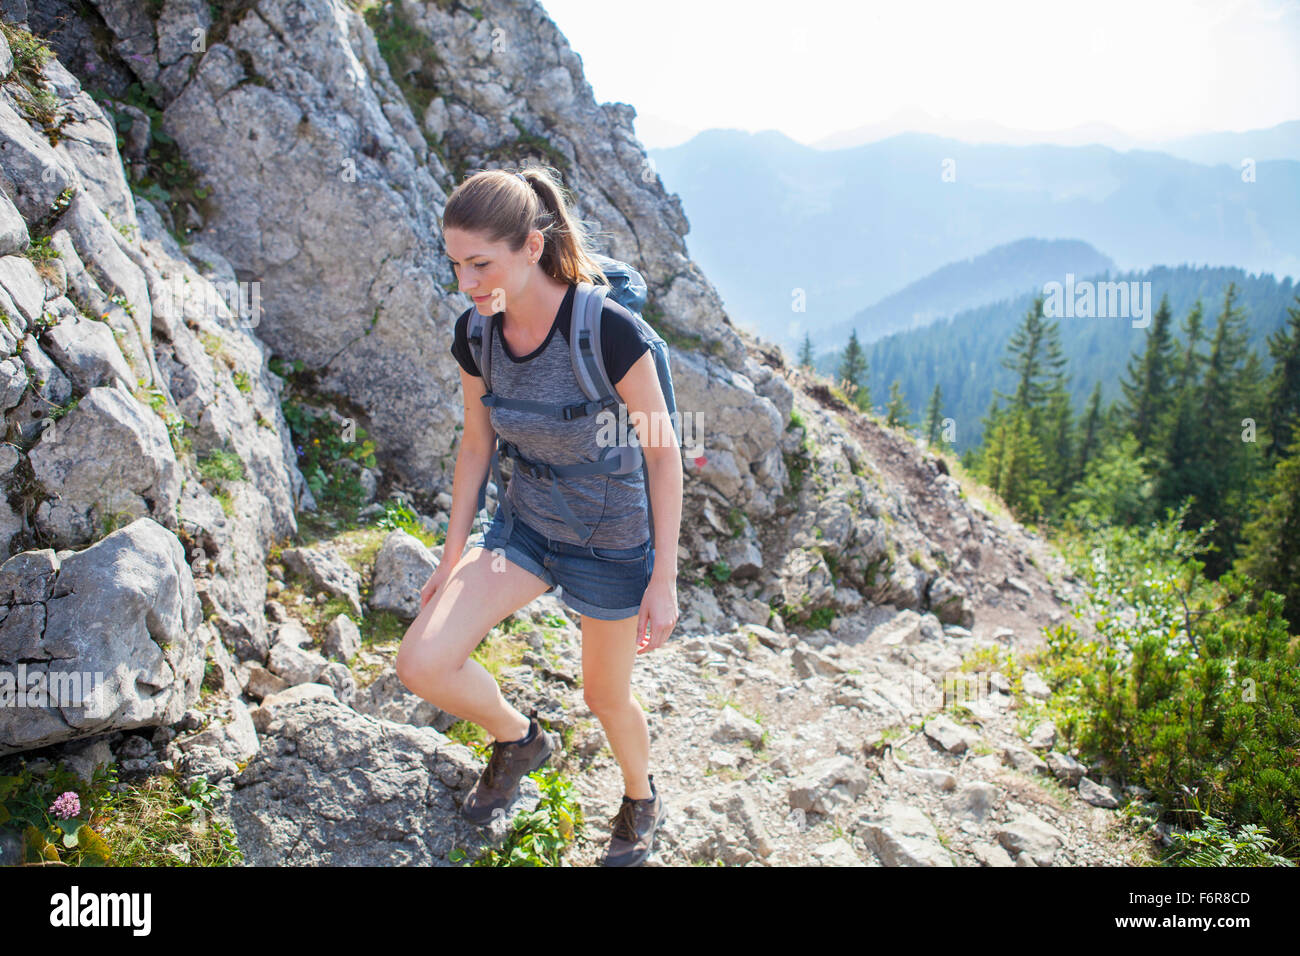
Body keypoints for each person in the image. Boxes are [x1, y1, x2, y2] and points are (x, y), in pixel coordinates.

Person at [395, 164, 683, 867]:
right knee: (422, 662)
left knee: (604, 698)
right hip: (523, 527)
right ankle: (520, 739)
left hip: (610, 541)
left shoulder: (608, 333)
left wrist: (663, 578)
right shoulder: (476, 334)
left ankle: (641, 799)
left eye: (481, 264)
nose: (468, 283)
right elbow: (475, 444)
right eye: (457, 264)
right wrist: (449, 554)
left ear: (530, 246)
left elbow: (664, 456)